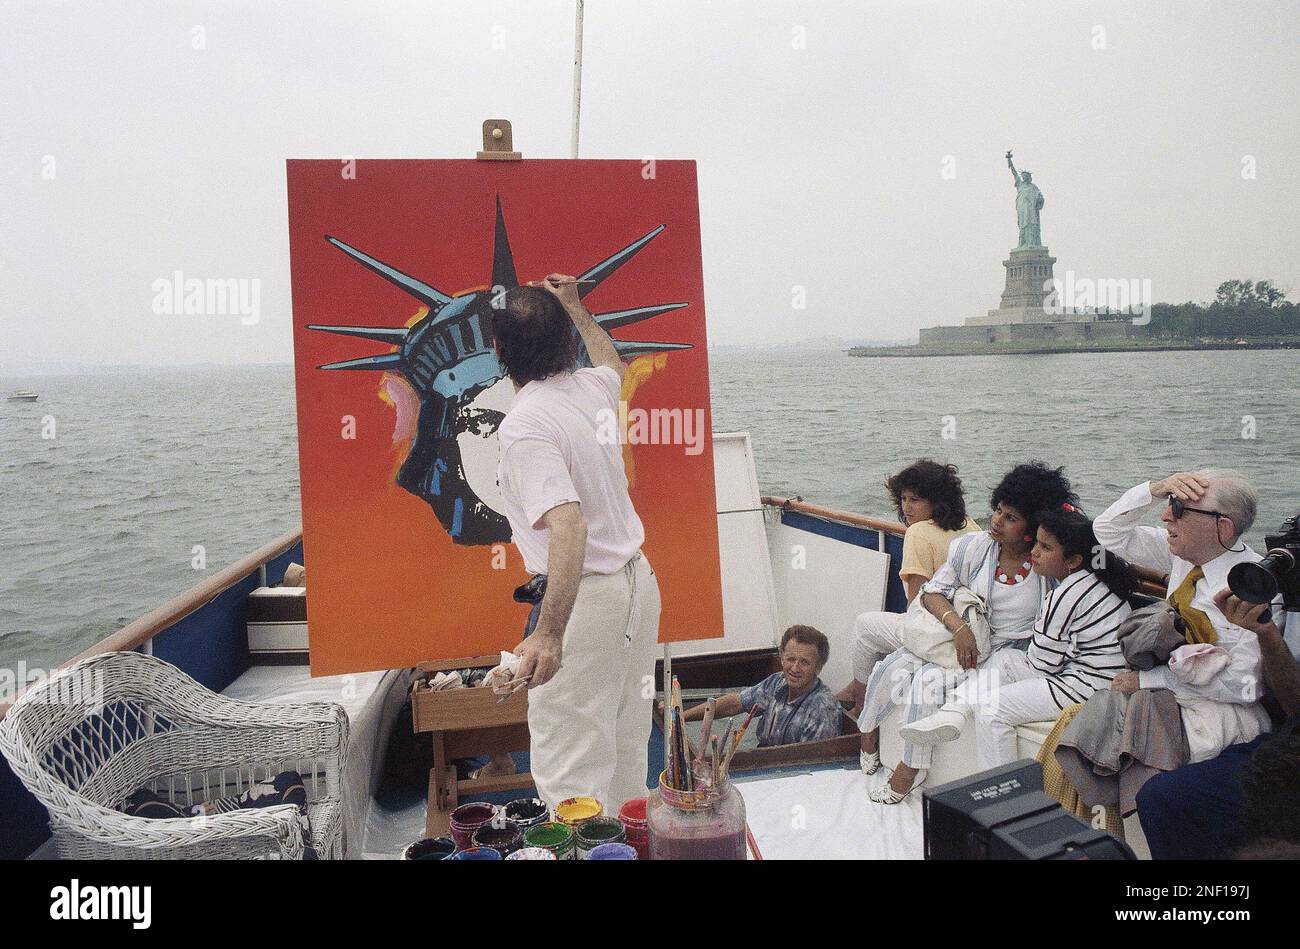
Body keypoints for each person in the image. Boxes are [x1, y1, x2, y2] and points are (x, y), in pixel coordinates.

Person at [491, 274, 662, 813]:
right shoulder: (592, 388)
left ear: (498, 350)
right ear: (567, 338)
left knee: (570, 766)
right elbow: (612, 363)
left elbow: (569, 528)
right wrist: (577, 307)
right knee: (626, 746)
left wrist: (548, 634)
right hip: (637, 585)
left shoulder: (525, 425)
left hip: (586, 601)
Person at [858, 461, 1078, 803]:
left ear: (1033, 529)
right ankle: (867, 734)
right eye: (998, 511)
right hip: (957, 636)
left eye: (1010, 517)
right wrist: (958, 626)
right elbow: (930, 592)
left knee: (926, 683)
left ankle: (911, 768)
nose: (996, 521)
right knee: (890, 667)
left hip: (1007, 654)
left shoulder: (1049, 568)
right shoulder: (974, 548)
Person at [899, 506, 1136, 768]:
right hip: (1097, 678)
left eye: (1046, 548)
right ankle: (954, 711)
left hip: (1087, 688)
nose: (1034, 552)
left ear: (1072, 560)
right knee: (1008, 658)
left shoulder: (1064, 597)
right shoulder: (1096, 579)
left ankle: (1003, 793)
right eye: (1037, 542)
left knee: (992, 710)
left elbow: (1043, 666)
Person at [839, 460, 979, 758]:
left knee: (865, 627)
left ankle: (862, 705)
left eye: (915, 499)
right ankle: (855, 688)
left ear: (936, 501)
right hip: (964, 631)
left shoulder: (918, 533)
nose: (906, 507)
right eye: (903, 499)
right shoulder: (971, 526)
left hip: (934, 632)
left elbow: (916, 603)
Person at [681, 626, 843, 748]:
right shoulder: (777, 681)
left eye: (804, 662)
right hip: (764, 759)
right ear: (781, 658)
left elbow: (813, 765)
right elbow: (735, 703)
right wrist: (681, 716)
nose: (795, 668)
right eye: (790, 659)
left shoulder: (823, 708)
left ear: (819, 667)